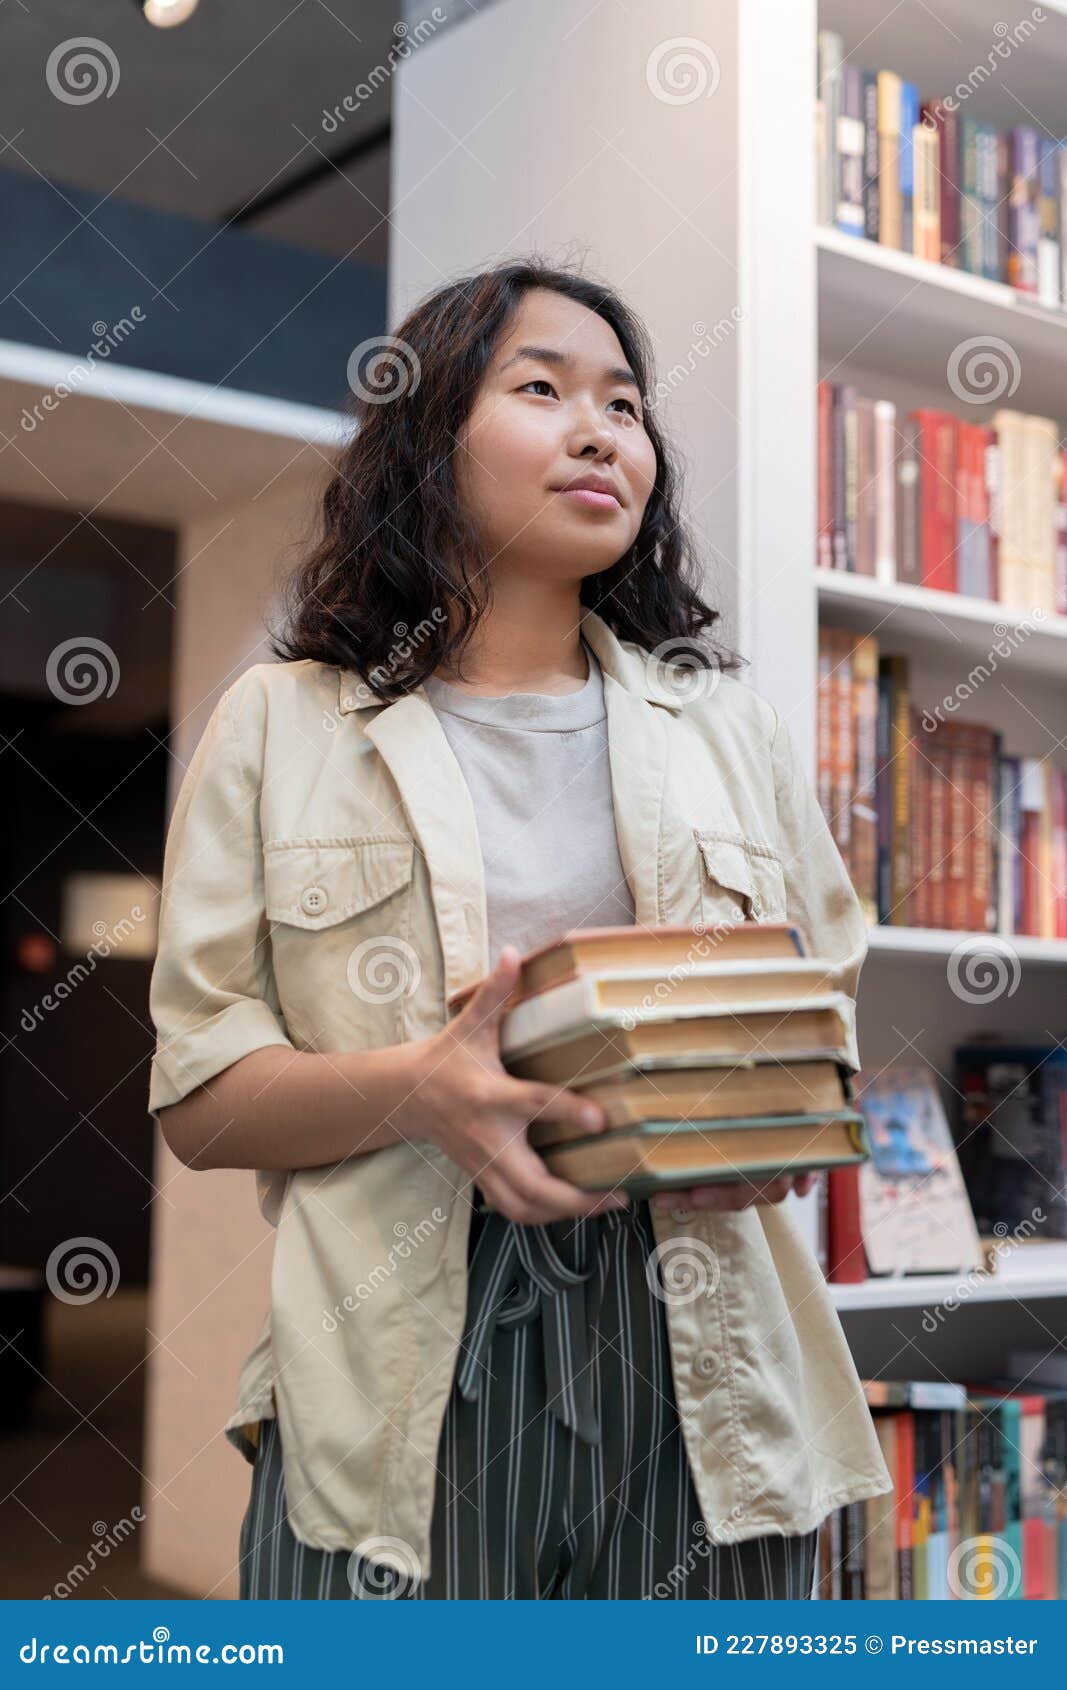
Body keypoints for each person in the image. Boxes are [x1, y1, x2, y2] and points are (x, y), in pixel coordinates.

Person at [148, 258, 893, 1601]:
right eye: (542, 389)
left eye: (626, 405)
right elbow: (200, 1102)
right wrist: (420, 1088)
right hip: (398, 1361)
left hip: (702, 1356)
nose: (600, 431)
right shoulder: (281, 724)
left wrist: (774, 1129)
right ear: (428, 439)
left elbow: (826, 1035)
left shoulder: (729, 727)